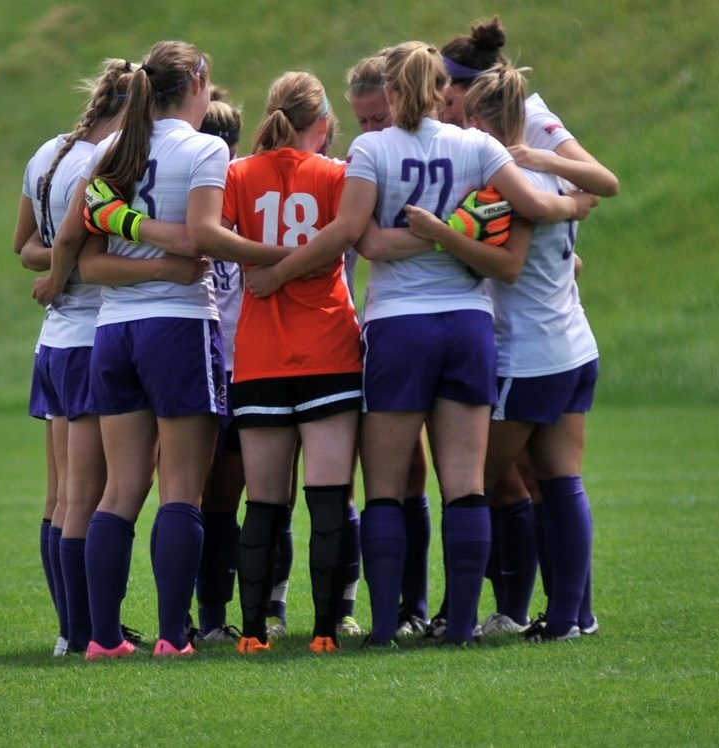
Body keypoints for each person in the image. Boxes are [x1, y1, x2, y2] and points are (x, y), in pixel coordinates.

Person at [246, 41, 595, 647]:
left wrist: (279, 273)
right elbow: (536, 207)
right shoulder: (478, 146)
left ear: (393, 94)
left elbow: (362, 240)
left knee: (384, 485)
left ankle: (385, 628)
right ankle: (459, 626)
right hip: (467, 323)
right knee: (465, 483)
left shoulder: (370, 149)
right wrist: (576, 202)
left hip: (399, 326)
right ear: (440, 89)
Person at [33, 40, 241, 659]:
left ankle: (99, 639)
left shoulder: (107, 151)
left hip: (112, 334)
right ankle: (174, 638)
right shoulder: (206, 148)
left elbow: (84, 258)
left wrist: (68, 272)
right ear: (199, 81)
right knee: (181, 490)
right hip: (178, 329)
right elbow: (205, 240)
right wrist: (184, 267)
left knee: (118, 491)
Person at [409, 62, 612, 642]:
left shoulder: (510, 182)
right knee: (559, 480)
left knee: (471, 485)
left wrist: (439, 233)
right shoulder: (548, 176)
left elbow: (508, 263)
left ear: (477, 120)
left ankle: (458, 614)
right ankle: (573, 617)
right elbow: (562, 229)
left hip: (526, 355)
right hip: (572, 343)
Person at [206, 71, 364, 655]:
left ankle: (252, 633)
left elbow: (210, 240)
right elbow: (356, 238)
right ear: (322, 123)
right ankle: (325, 632)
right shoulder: (338, 173)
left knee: (265, 504)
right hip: (329, 348)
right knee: (329, 500)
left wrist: (263, 266)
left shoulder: (236, 174)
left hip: (260, 358)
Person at [344, 49, 433, 639]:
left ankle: (413, 607)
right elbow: (354, 245)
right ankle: (361, 607)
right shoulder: (357, 166)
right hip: (359, 331)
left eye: (378, 117)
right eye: (362, 121)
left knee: (413, 472)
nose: (371, 130)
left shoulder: (413, 158)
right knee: (367, 473)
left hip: (406, 323)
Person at [191, 92, 247, 643]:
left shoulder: (249, 195)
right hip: (210, 363)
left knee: (220, 502)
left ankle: (210, 618)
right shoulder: (186, 197)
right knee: (200, 499)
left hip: (238, 366)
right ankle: (192, 618)